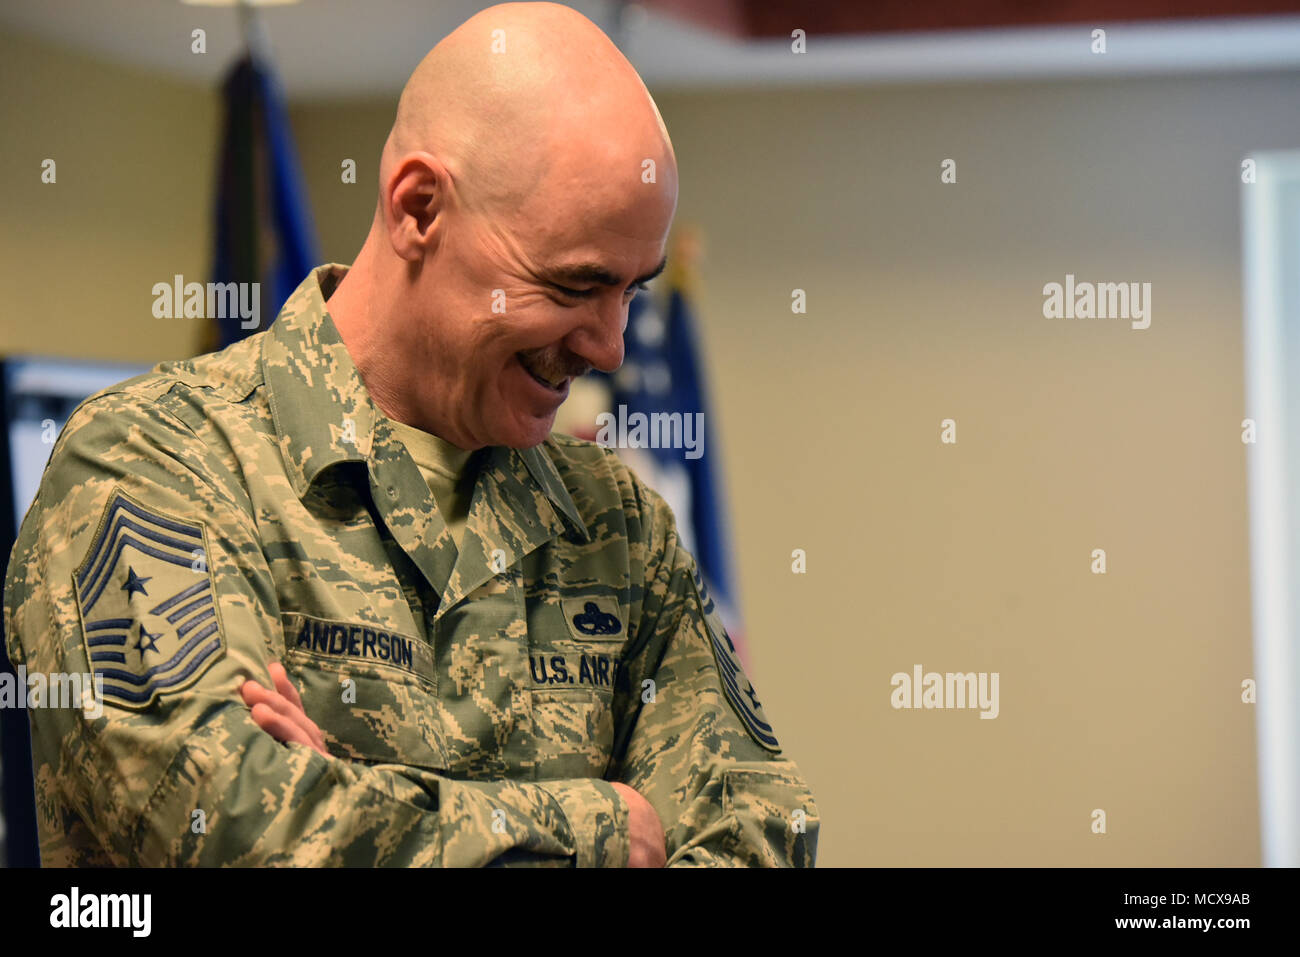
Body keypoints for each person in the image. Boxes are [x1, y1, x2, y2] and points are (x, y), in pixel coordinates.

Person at [2, 1, 818, 867]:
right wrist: (610, 830)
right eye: (576, 285)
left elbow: (761, 834)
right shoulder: (151, 462)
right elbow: (229, 826)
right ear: (420, 207)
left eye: (633, 292)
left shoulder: (618, 529)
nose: (609, 344)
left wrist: (349, 796)